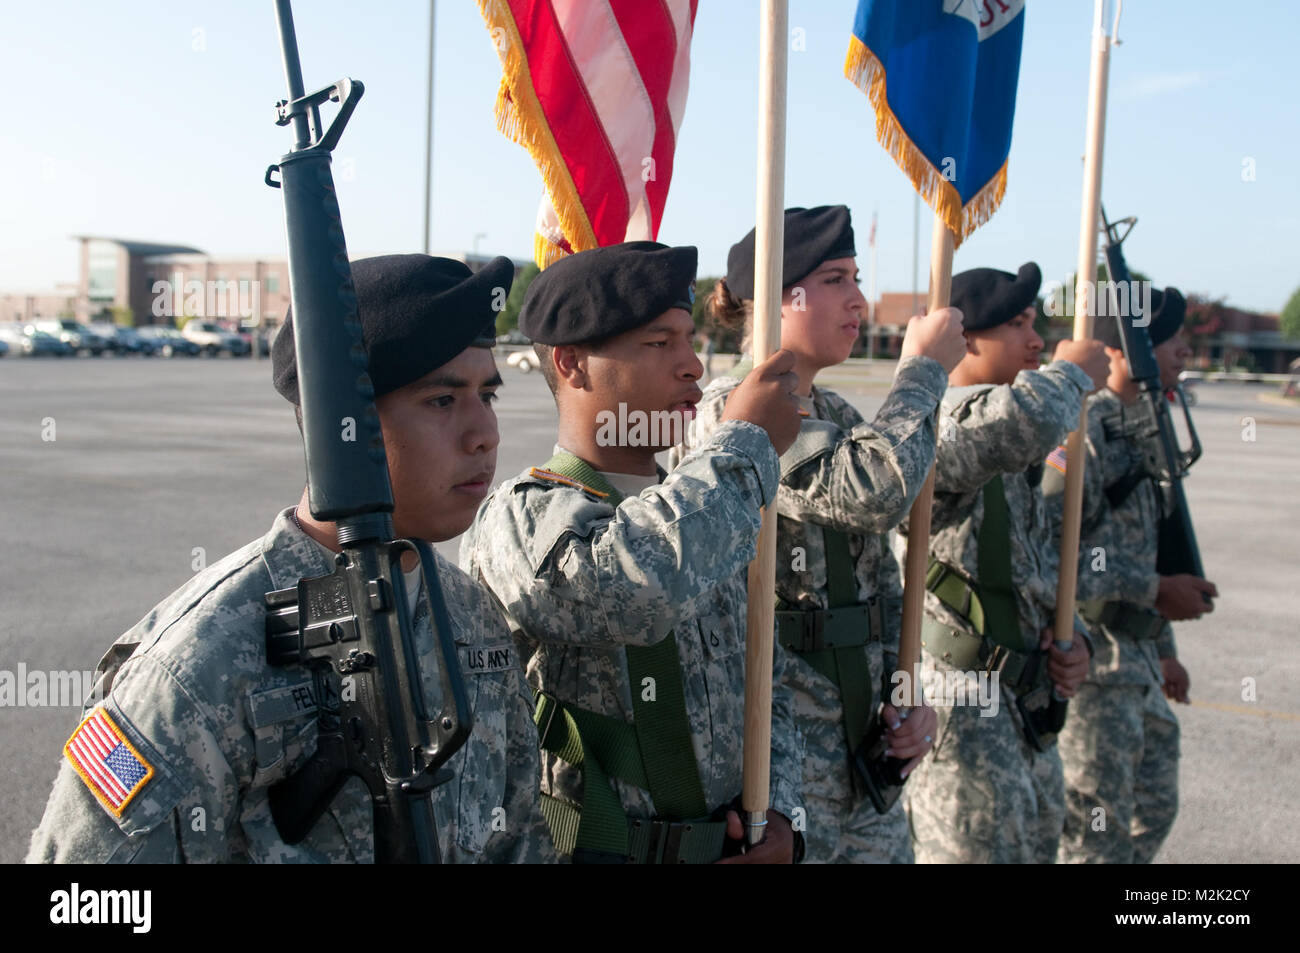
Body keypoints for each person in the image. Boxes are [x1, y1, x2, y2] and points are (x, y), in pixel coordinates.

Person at [27, 254, 551, 864]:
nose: (483, 432)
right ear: (341, 428)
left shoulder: (467, 614)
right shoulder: (200, 662)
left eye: (487, 394)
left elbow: (519, 837)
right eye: (441, 400)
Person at [460, 241, 806, 864]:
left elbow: (768, 683)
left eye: (689, 339)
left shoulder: (706, 509)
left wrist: (781, 815)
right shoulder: (519, 515)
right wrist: (744, 446)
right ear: (571, 364)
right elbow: (634, 586)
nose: (693, 367)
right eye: (659, 343)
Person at [671, 205, 966, 863]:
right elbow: (874, 489)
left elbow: (880, 585)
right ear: (773, 297)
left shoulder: (834, 412)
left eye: (857, 277)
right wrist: (922, 372)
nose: (858, 298)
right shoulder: (731, 410)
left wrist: (908, 697)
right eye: (835, 278)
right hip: (776, 774)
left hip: (861, 763)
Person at [902, 262, 1108, 864]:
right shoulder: (937, 425)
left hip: (1023, 702)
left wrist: (1075, 641)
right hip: (962, 710)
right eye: (1017, 324)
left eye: (1035, 323)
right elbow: (1024, 423)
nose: (1037, 340)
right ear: (965, 338)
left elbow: (1035, 567)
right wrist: (1072, 374)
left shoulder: (1009, 431)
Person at [1045, 286, 1216, 863]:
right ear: (1120, 352)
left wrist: (1162, 644)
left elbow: (1142, 548)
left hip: (1138, 659)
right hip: (1096, 669)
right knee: (1094, 833)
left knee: (1153, 808)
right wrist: (1157, 592)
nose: (1184, 352)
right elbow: (1052, 555)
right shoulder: (1080, 433)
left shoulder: (1144, 427)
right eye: (1170, 341)